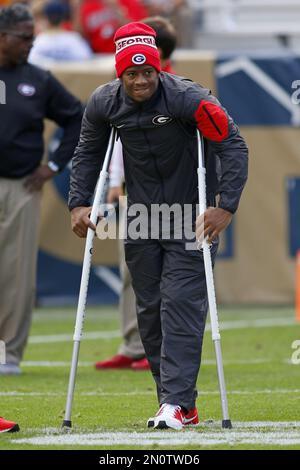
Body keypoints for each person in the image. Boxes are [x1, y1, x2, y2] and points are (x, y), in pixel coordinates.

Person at [69, 22, 248, 429]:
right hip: (141, 218)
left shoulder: (189, 98)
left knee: (180, 305)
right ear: (119, 74)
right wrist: (79, 203)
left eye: (147, 71)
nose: (141, 80)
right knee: (148, 311)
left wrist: (226, 206)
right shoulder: (104, 103)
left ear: (158, 68)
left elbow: (232, 143)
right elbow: (88, 152)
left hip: (190, 216)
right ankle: (175, 401)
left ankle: (176, 403)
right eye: (131, 74)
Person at [0, 3, 83, 375]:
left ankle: (7, 354)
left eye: (32, 38)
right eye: (23, 38)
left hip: (21, 186)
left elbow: (77, 116)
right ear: (2, 37)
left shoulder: (38, 80)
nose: (30, 45)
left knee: (16, 274)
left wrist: (53, 166)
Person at [94, 16, 177, 371]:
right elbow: (117, 141)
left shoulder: (176, 90)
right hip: (131, 190)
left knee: (172, 273)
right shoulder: (122, 89)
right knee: (133, 269)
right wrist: (114, 181)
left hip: (172, 194)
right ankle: (134, 344)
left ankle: (164, 348)